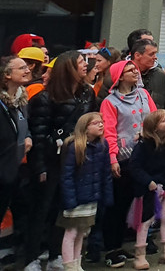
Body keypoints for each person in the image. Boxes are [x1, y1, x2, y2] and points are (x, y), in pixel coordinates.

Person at [28, 50, 99, 271]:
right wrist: (40, 166)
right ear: (68, 67)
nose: (85, 66)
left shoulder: (88, 94)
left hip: (77, 160)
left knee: (65, 209)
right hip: (51, 161)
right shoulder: (45, 98)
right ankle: (31, 257)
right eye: (80, 62)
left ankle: (55, 254)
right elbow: (38, 135)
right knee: (43, 209)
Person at [100, 60, 157, 268]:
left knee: (142, 202)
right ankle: (112, 248)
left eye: (135, 69)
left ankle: (136, 242)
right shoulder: (110, 102)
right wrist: (112, 157)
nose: (135, 72)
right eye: (130, 70)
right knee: (118, 204)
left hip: (144, 157)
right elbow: (109, 131)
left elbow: (153, 117)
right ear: (119, 76)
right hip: (124, 159)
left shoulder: (144, 95)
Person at [126, 111, 165, 268]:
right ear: (154, 127)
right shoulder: (143, 145)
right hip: (147, 188)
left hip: (164, 186)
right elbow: (134, 166)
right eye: (164, 121)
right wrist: (148, 182)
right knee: (145, 220)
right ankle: (140, 254)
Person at [58, 113, 112, 271]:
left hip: (91, 197)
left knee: (82, 232)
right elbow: (66, 176)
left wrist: (105, 197)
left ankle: (77, 263)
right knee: (71, 232)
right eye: (96, 123)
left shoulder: (103, 145)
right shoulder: (74, 146)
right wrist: (70, 201)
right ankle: (69, 265)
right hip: (76, 199)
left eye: (102, 122)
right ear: (85, 128)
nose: (101, 125)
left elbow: (105, 174)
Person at [2, 55, 34, 269]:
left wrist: (28, 136)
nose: (27, 70)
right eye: (21, 67)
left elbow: (23, 128)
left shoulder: (21, 100)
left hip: (12, 172)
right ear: (6, 75)